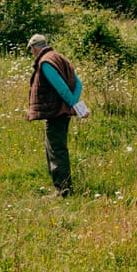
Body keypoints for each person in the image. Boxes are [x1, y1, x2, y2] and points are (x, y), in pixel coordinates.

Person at [26, 34, 89, 198]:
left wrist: (72, 104)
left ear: (34, 49)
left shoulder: (45, 62)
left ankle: (62, 190)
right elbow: (79, 83)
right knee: (58, 148)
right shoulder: (60, 57)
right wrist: (74, 103)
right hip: (62, 112)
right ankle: (63, 187)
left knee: (56, 150)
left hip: (56, 113)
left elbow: (61, 88)